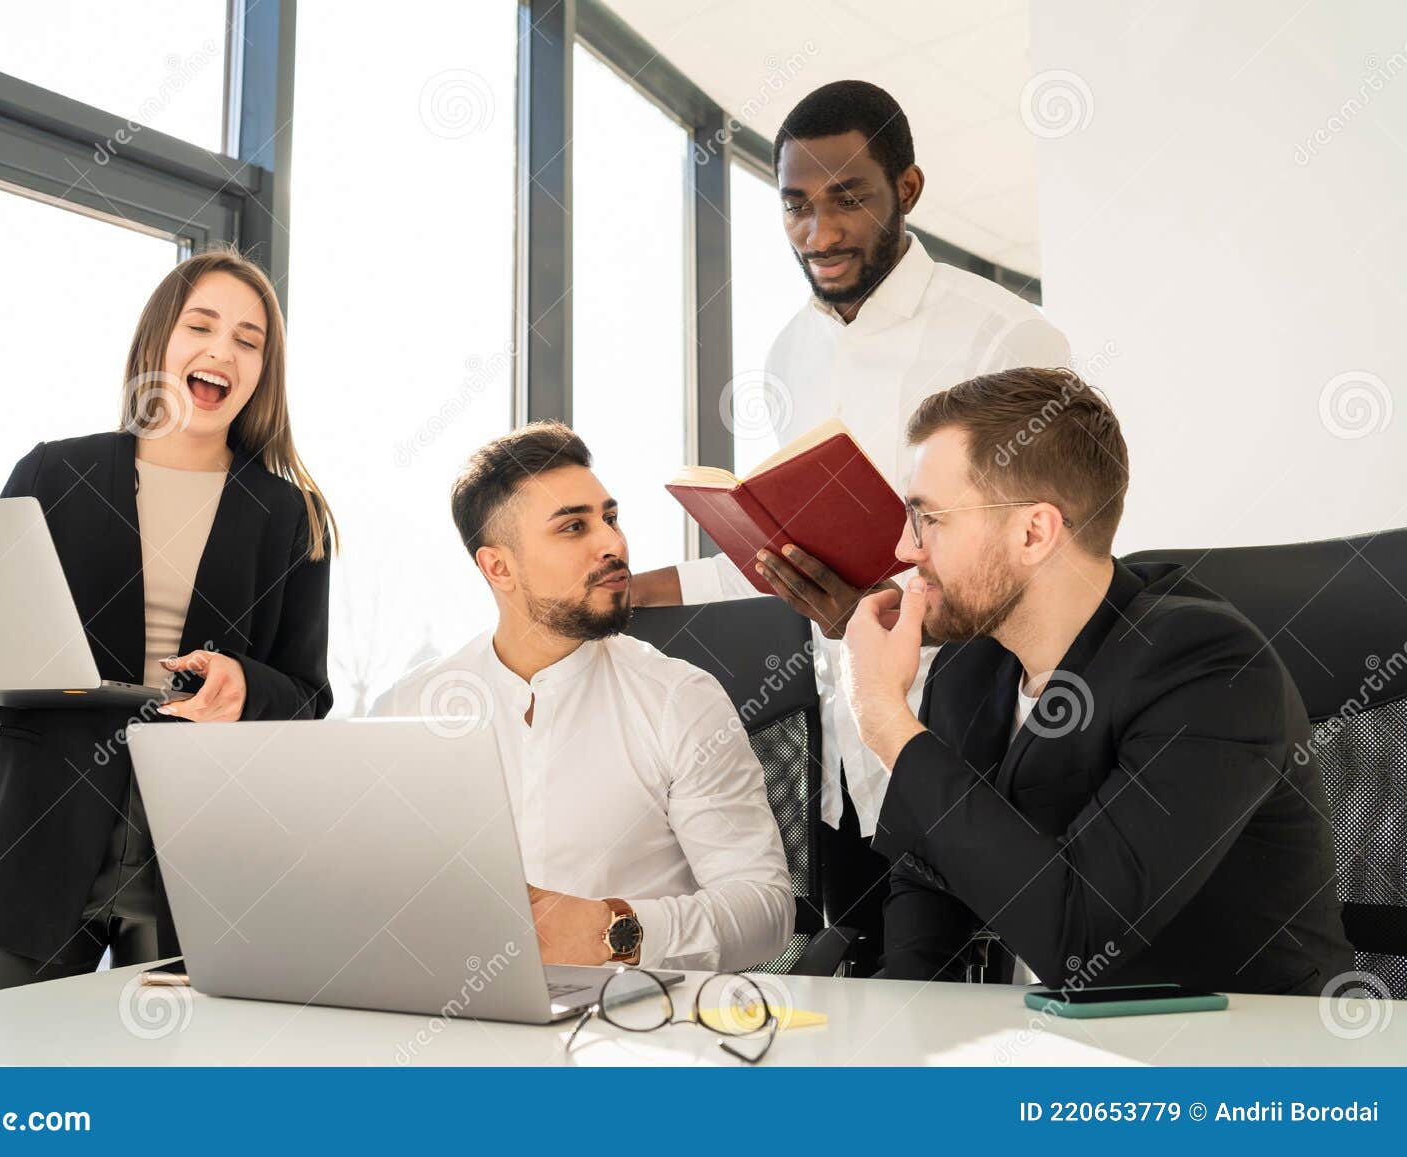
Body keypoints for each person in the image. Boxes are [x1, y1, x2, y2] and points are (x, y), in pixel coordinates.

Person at [635, 80, 1071, 962]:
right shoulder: (789, 348)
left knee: (949, 1014)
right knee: (857, 1004)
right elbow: (784, 548)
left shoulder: (1004, 336)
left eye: (848, 199)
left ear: (906, 191)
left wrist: (881, 598)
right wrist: (637, 588)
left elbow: (1043, 555)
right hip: (846, 752)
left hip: (968, 736)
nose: (819, 233)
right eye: (796, 205)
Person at [0, 248, 336, 1000]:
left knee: (171, 1109)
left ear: (264, 371)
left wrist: (246, 685)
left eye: (249, 340)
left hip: (199, 863)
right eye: (201, 326)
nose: (222, 351)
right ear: (158, 342)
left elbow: (308, 697)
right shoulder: (55, 474)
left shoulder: (289, 517)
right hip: (37, 846)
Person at [838, 367, 1352, 994]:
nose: (904, 548)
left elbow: (1083, 940)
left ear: (1033, 532)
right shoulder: (973, 664)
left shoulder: (1209, 666)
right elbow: (924, 874)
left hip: (1228, 1061)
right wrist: (908, 1024)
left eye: (928, 520)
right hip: (1043, 1049)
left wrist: (885, 719)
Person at [373, 421, 791, 972]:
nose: (613, 544)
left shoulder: (680, 699)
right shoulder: (408, 711)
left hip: (636, 1030)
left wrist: (613, 930)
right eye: (574, 527)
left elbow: (765, 913)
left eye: (610, 519)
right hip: (454, 1026)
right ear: (497, 567)